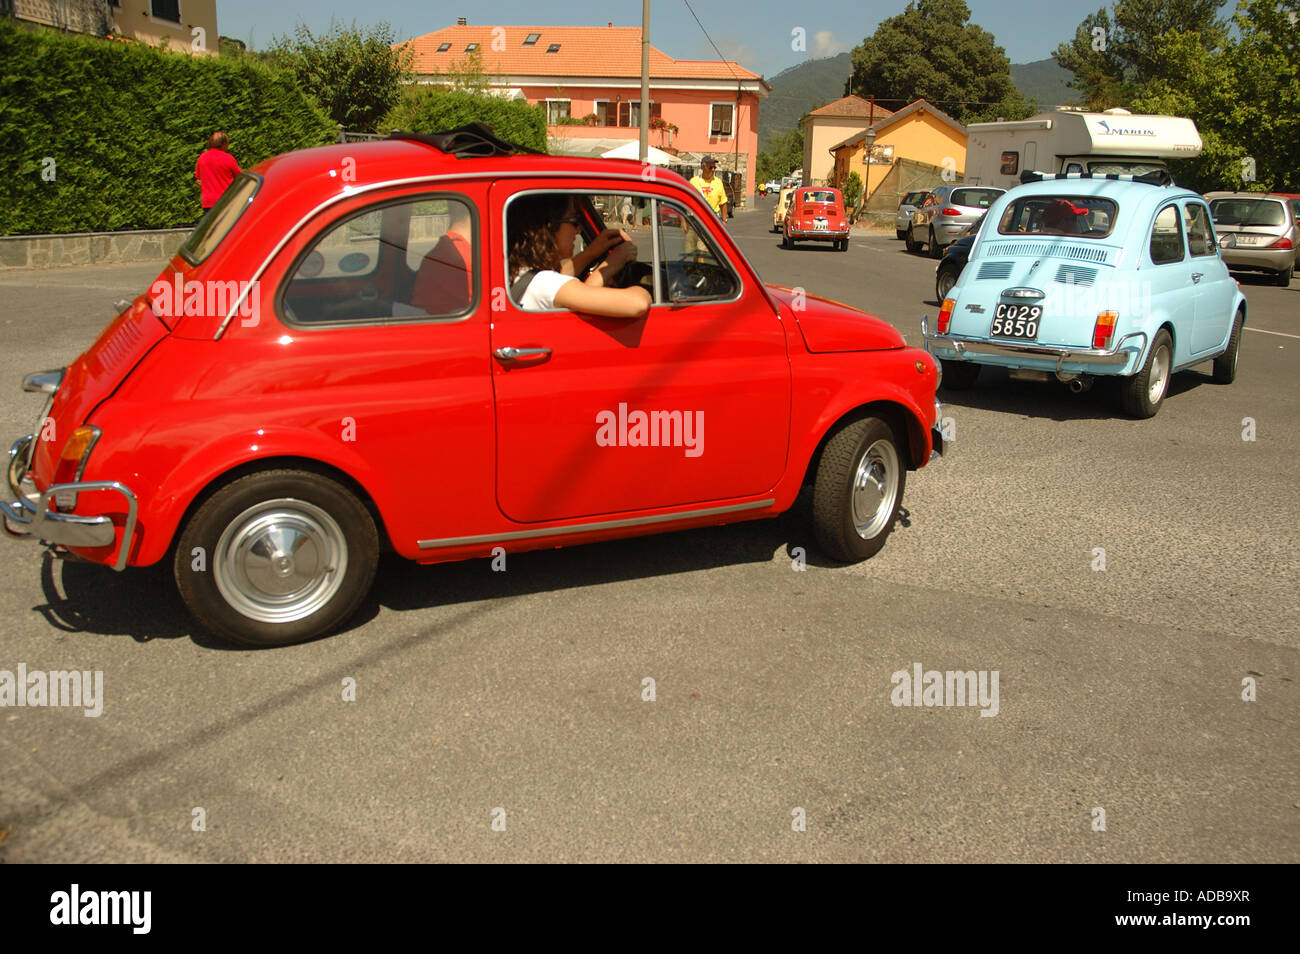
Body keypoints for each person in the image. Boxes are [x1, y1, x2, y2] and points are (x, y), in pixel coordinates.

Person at [507, 194, 651, 317]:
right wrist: (617, 267)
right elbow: (638, 303)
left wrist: (591, 252)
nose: (578, 229)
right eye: (573, 221)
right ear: (549, 227)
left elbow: (563, 276)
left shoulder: (519, 271)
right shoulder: (546, 284)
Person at [194, 131, 241, 218]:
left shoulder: (202, 158)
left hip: (208, 203)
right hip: (226, 201)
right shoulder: (228, 158)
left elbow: (198, 180)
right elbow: (240, 177)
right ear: (223, 144)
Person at [689, 156, 728, 221]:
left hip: (714, 219)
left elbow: (723, 203)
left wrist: (724, 220)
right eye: (710, 167)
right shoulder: (693, 182)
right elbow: (686, 202)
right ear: (702, 167)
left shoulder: (718, 182)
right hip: (697, 219)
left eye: (714, 167)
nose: (713, 170)